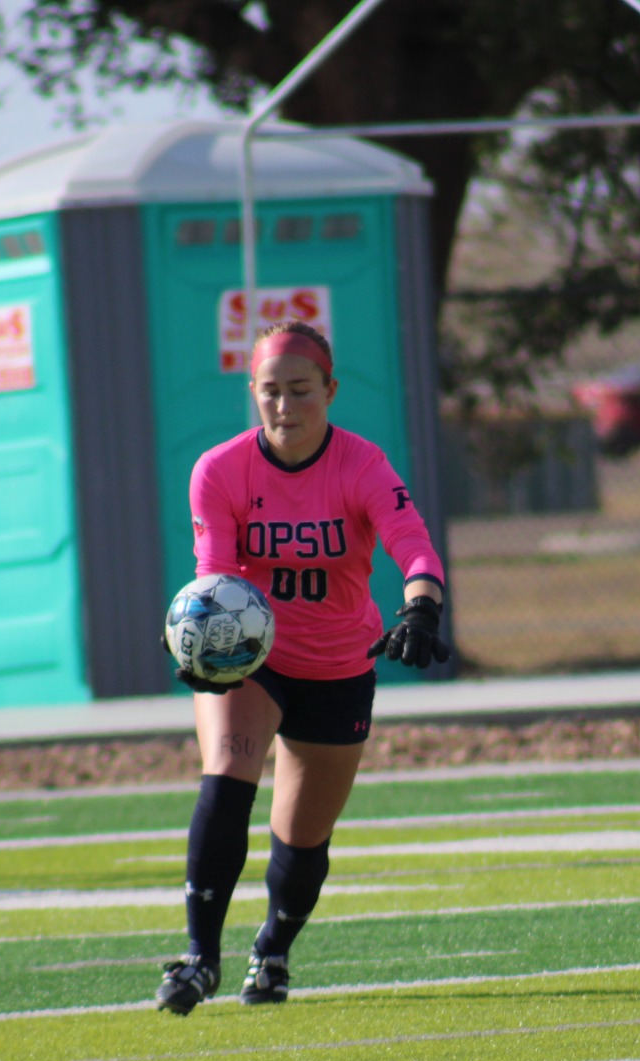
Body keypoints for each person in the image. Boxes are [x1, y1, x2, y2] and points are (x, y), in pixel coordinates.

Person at [155, 319, 450, 1015]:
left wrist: (421, 611)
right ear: (252, 393)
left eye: (300, 390)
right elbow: (217, 577)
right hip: (251, 657)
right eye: (270, 391)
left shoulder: (363, 465)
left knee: (302, 836)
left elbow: (415, 548)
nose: (285, 407)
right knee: (228, 775)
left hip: (338, 660)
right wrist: (198, 645)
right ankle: (200, 957)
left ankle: (275, 945)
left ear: (330, 390)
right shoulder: (219, 470)